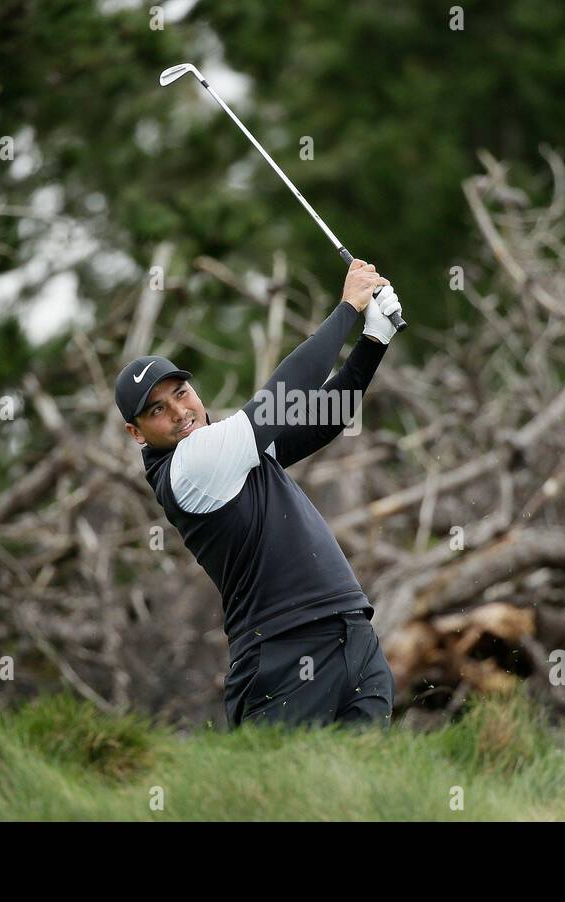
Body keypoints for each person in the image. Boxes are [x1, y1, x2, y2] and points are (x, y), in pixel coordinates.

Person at [114, 259, 404, 730]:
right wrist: (348, 308)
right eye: (157, 410)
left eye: (182, 393)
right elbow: (283, 396)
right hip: (285, 651)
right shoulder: (191, 465)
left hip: (349, 632)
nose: (180, 412)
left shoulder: (231, 448)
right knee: (287, 781)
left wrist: (375, 339)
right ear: (137, 432)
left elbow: (323, 419)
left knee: (367, 777)